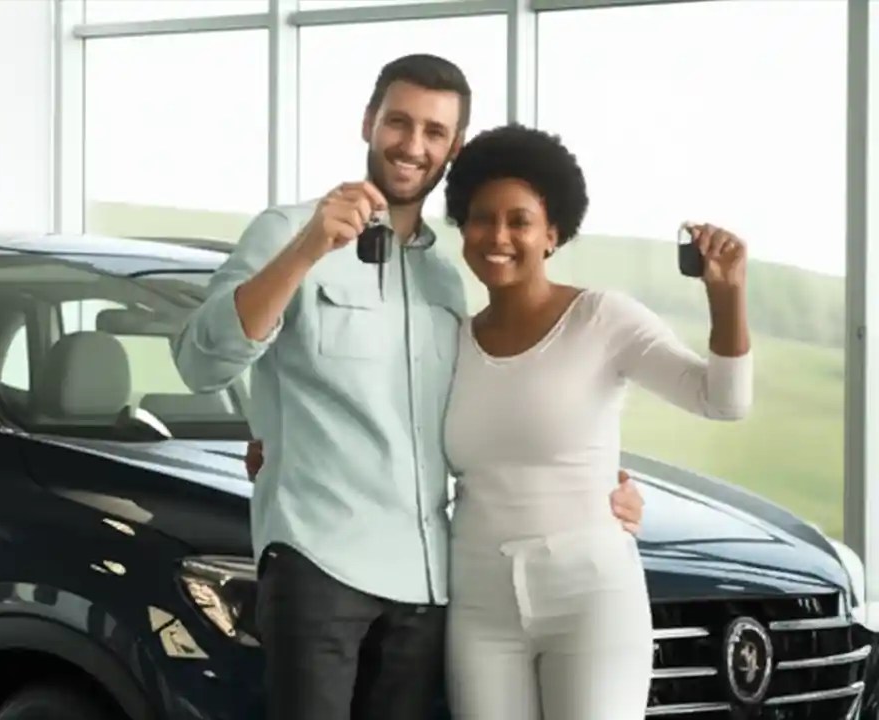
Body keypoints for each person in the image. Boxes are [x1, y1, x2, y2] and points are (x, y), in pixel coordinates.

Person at [170, 54, 644, 720]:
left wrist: (596, 483)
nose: (411, 146)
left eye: (433, 132)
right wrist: (308, 249)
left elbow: (482, 410)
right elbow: (200, 362)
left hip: (428, 581)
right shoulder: (286, 232)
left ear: (453, 148)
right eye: (398, 122)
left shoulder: (446, 278)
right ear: (369, 122)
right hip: (319, 562)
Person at [437, 123, 752, 719]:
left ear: (552, 232)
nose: (498, 236)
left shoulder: (602, 318)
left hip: (591, 601)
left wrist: (728, 295)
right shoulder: (450, 341)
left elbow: (723, 400)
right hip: (479, 605)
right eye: (481, 218)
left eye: (519, 220)